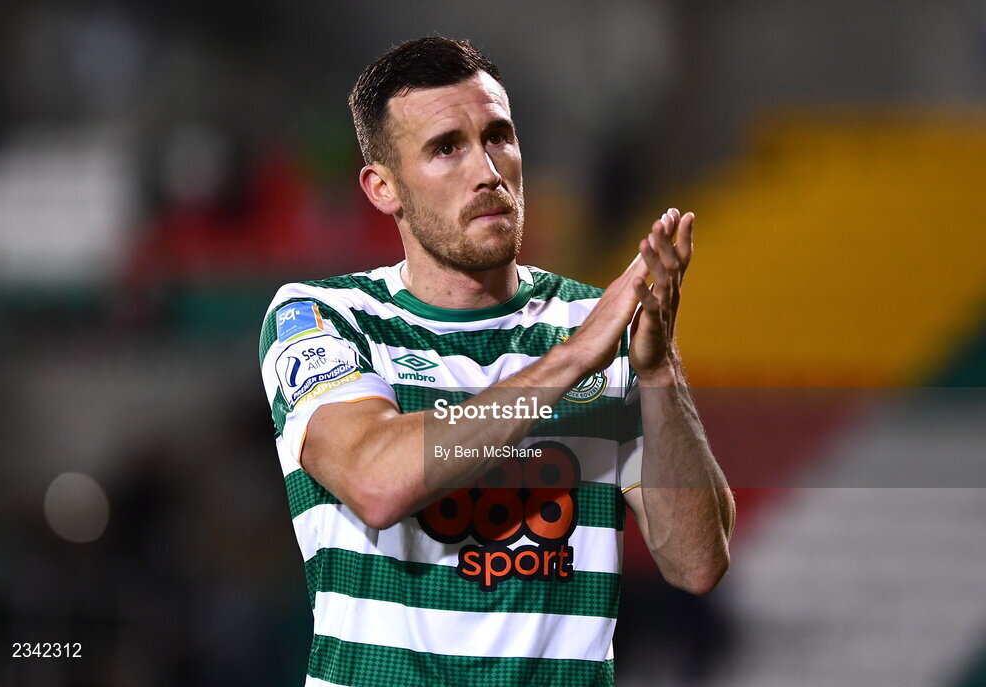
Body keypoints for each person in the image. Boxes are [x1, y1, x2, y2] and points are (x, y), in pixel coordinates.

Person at [259, 37, 734, 687]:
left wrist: (657, 372)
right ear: (383, 187)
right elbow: (375, 479)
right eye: (446, 146)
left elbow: (697, 562)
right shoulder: (326, 316)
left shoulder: (595, 325)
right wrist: (570, 364)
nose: (486, 169)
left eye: (499, 136)